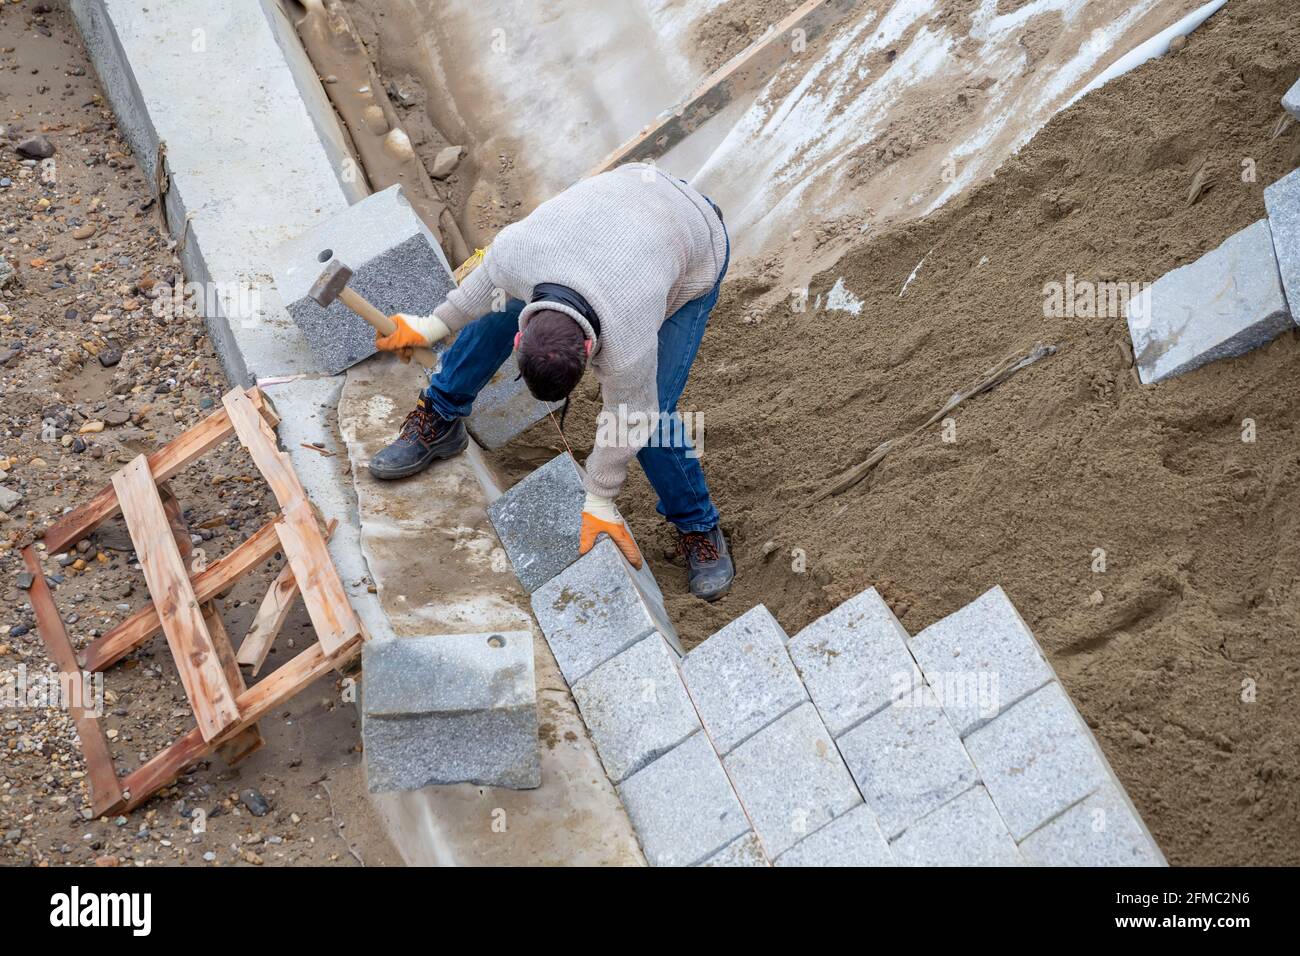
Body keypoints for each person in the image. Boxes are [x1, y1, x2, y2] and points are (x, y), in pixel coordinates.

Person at [369, 162, 733, 601]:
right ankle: (440, 415)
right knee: (500, 306)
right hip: (613, 200)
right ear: (524, 335)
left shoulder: (630, 341)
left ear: (593, 353)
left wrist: (598, 499)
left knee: (656, 414)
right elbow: (482, 288)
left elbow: (630, 416)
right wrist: (429, 326)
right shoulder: (518, 252)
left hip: (692, 237)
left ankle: (697, 525)